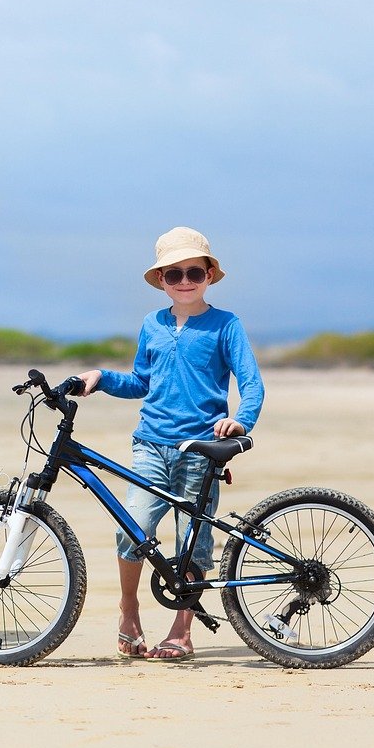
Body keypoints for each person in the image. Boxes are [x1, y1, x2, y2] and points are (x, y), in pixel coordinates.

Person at [73, 226, 265, 661]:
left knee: (190, 543)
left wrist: (240, 421)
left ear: (209, 275)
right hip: (150, 445)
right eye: (172, 274)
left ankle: (182, 629)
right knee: (132, 529)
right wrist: (101, 378)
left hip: (200, 451)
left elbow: (251, 384)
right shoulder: (151, 324)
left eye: (193, 272)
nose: (183, 281)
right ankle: (129, 609)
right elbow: (141, 381)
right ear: (160, 279)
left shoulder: (226, 325)